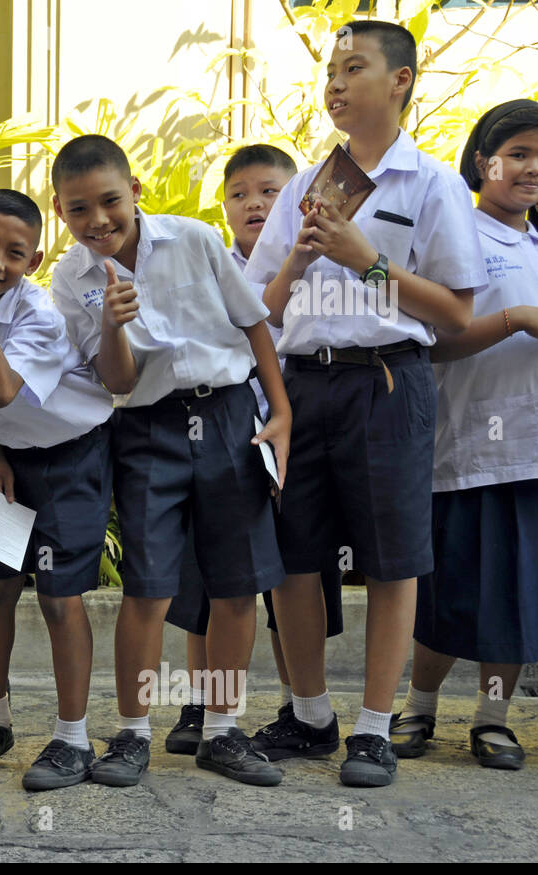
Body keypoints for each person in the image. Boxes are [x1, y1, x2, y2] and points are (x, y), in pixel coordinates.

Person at [245, 21, 486, 787]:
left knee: (393, 558)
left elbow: (455, 311)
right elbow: (258, 304)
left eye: (355, 68)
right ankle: (311, 714)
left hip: (387, 380)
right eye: (330, 71)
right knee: (292, 554)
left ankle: (376, 728)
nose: (337, 84)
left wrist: (368, 260)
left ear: (402, 81)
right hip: (301, 383)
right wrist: (304, 253)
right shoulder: (307, 185)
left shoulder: (433, 183)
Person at [50, 133, 291, 787]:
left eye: (109, 201)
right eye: (78, 209)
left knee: (237, 584)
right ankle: (131, 733)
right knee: (149, 588)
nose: (97, 220)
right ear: (59, 210)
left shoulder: (193, 239)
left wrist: (282, 413)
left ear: (135, 193)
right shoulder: (70, 277)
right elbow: (115, 381)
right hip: (145, 427)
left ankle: (222, 730)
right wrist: (112, 324)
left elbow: (252, 324)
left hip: (229, 417)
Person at [164, 145, 344, 754]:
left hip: (296, 437)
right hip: (227, 440)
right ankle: (200, 703)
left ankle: (302, 705)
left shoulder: (329, 264)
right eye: (239, 193)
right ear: (223, 206)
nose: (255, 204)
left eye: (270, 191)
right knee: (210, 580)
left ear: (296, 200)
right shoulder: (209, 265)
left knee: (291, 571)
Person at [391, 99, 538, 771]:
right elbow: (427, 344)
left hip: (534, 451)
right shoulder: (456, 234)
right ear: (482, 161)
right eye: (518, 153)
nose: (534, 168)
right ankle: (418, 705)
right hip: (461, 451)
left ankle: (492, 718)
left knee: (513, 599)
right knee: (445, 593)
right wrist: (514, 318)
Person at [0, 189, 114, 789]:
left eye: (16, 254)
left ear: (34, 263)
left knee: (59, 599)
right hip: (12, 463)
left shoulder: (37, 315)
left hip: (71, 462)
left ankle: (73, 739)